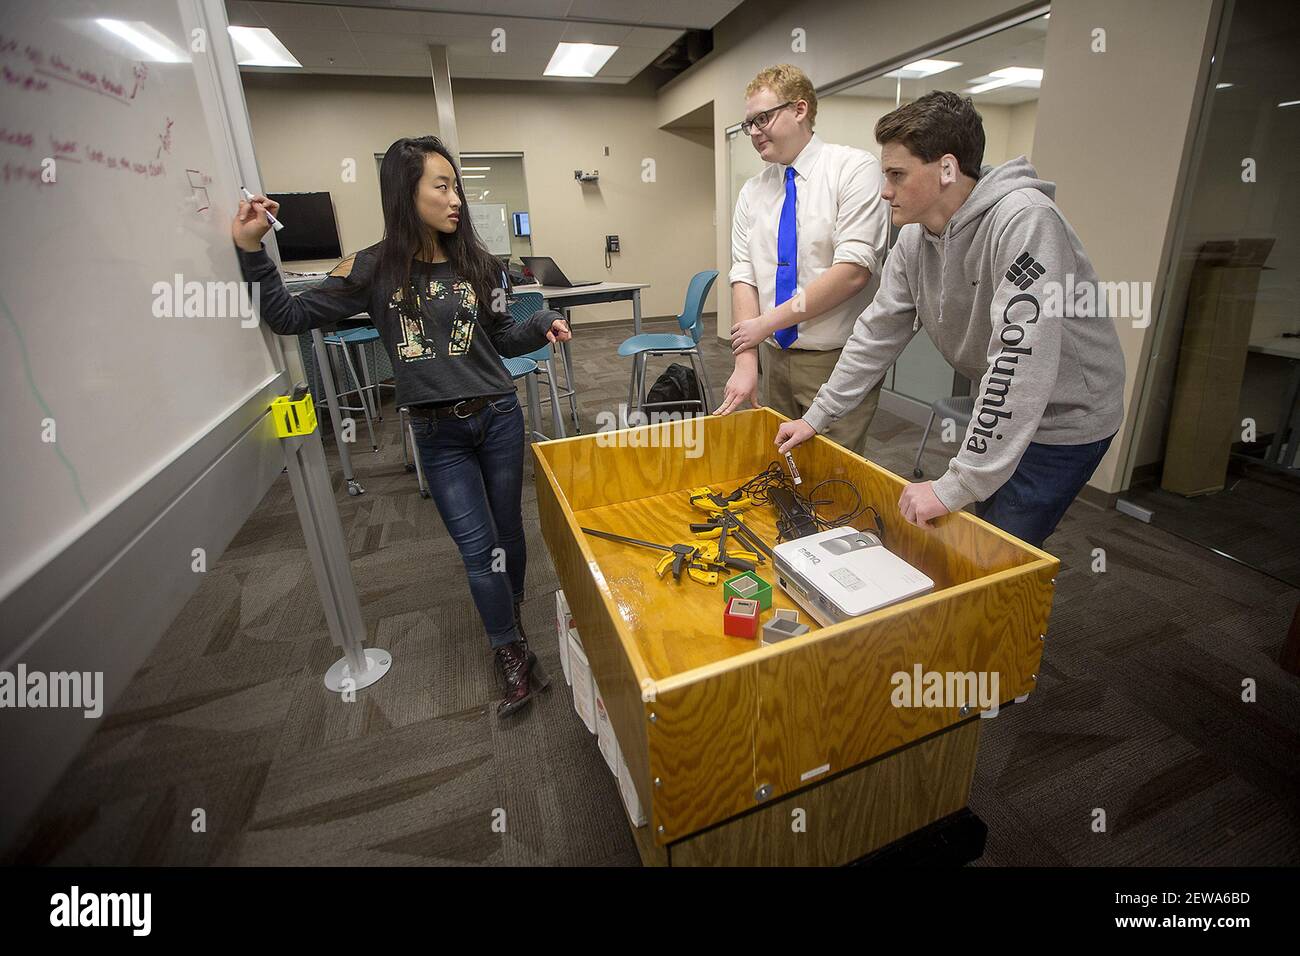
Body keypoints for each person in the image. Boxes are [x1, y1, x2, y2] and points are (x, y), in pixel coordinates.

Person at [232, 135, 571, 717]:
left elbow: (498, 340)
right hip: (439, 437)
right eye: (441, 186)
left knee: (509, 534)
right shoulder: (373, 267)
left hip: (497, 417)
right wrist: (250, 250)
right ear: (405, 192)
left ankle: (508, 617)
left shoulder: (480, 264)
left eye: (455, 184)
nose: (455, 197)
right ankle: (509, 647)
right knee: (477, 547)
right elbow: (288, 315)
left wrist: (539, 322)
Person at [775, 92, 1126, 549]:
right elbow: (876, 333)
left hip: (1065, 418)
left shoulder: (1025, 221)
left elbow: (1019, 360)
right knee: (980, 534)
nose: (885, 190)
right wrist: (817, 416)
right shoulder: (914, 240)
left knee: (996, 552)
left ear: (946, 168)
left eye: (897, 175)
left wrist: (955, 485)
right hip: (1009, 406)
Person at [715, 64, 890, 456]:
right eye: (749, 124)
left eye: (763, 118)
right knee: (782, 468)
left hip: (834, 362)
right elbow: (743, 274)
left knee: (833, 480)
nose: (755, 131)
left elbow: (852, 274)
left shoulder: (854, 170)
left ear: (800, 109)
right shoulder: (753, 191)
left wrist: (764, 324)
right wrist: (746, 360)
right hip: (773, 356)